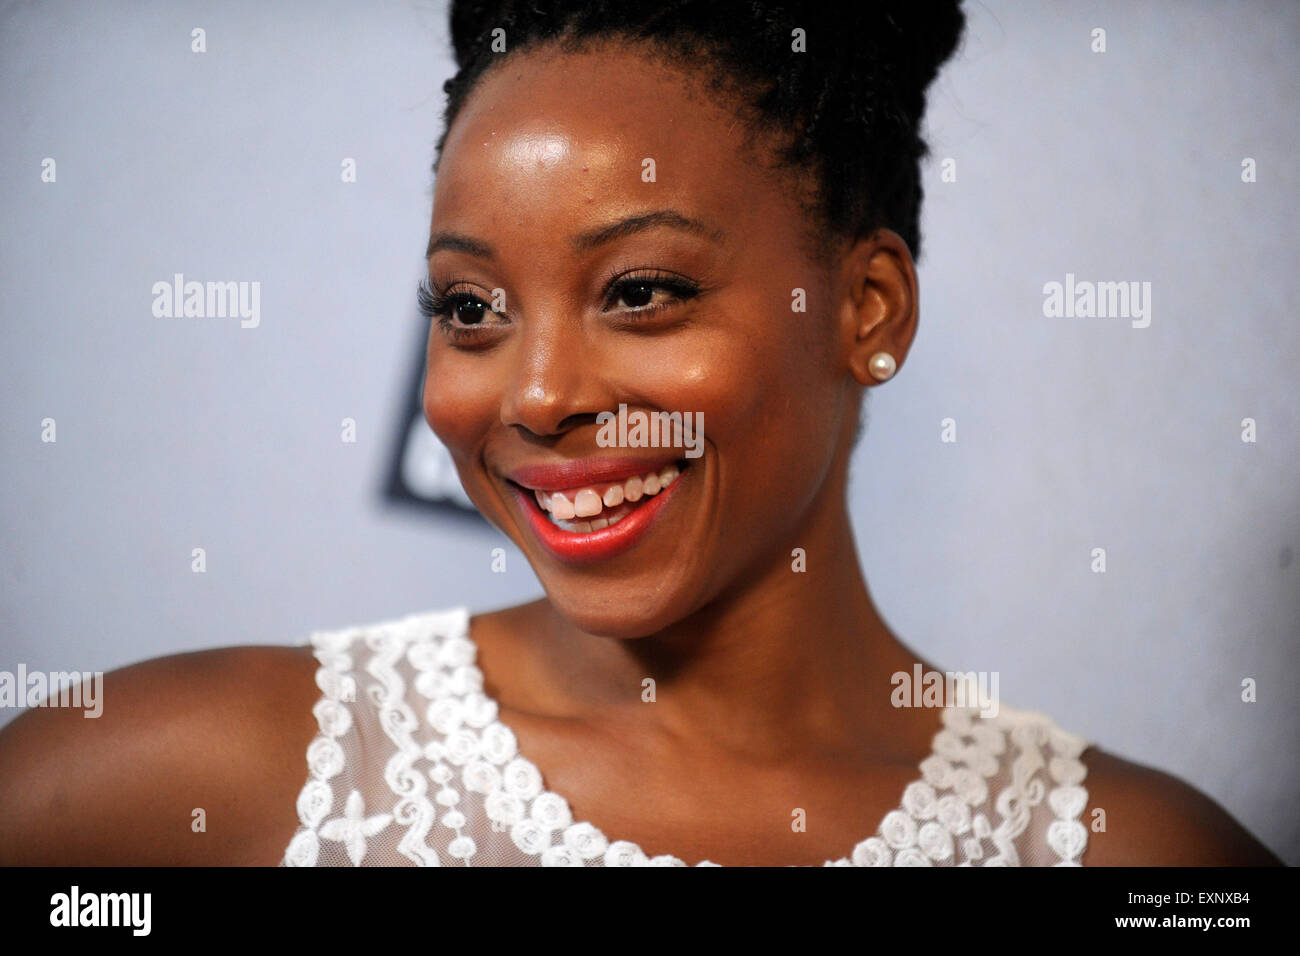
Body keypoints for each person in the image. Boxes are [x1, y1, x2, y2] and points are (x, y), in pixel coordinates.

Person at [0, 0, 1281, 867]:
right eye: (471, 307)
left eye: (641, 291)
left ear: (866, 307)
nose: (538, 394)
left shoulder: (1137, 852)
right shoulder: (188, 770)